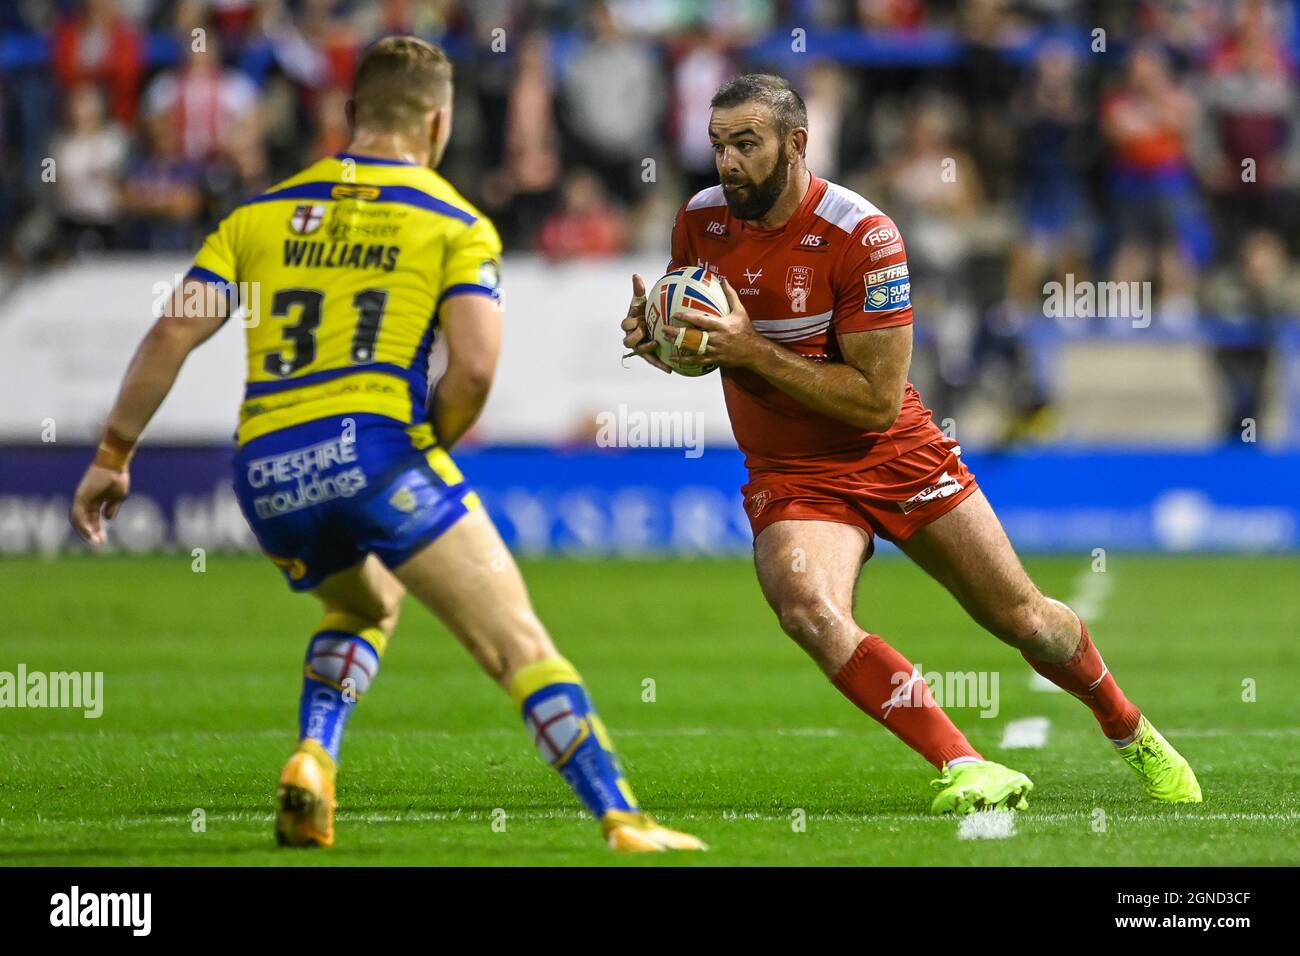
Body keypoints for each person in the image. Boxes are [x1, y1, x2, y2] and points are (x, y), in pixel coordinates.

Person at [69, 36, 704, 854]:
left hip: (267, 472)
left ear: (349, 114)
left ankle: (313, 757)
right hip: (377, 452)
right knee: (514, 644)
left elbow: (171, 331)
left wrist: (113, 454)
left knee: (365, 602)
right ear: (438, 122)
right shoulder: (453, 222)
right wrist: (421, 449)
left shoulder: (257, 215)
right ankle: (624, 819)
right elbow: (473, 369)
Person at [621, 74, 1202, 814]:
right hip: (792, 472)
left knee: (1025, 620)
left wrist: (749, 349)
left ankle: (1130, 730)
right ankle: (965, 765)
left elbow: (874, 401)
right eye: (717, 146)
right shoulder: (700, 222)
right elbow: (701, 341)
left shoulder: (864, 234)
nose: (726, 163)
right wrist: (659, 341)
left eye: (745, 144)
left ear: (796, 145)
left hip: (895, 452)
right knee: (805, 609)